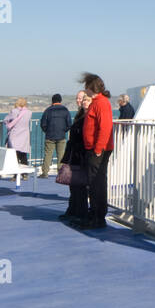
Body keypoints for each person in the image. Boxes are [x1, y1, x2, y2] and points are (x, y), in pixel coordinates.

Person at [81, 75, 114, 230]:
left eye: (86, 86)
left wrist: (98, 149)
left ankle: (98, 217)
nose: (84, 89)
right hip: (94, 149)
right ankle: (94, 213)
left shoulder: (102, 103)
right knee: (94, 183)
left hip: (98, 151)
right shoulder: (97, 102)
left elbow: (105, 127)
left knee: (97, 184)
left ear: (91, 87)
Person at [60, 90, 91, 225]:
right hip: (74, 154)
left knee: (80, 186)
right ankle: (73, 210)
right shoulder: (80, 114)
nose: (80, 101)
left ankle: (81, 213)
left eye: (83, 99)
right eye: (79, 99)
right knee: (73, 185)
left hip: (82, 154)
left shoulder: (88, 116)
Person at [39, 93, 72, 178]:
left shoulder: (48, 110)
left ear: (52, 101)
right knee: (61, 155)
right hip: (61, 136)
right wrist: (64, 131)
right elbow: (69, 124)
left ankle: (45, 173)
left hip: (50, 136)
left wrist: (47, 131)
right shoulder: (65, 110)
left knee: (48, 154)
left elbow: (43, 124)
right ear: (60, 100)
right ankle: (60, 173)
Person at [4, 98, 32, 166]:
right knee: (23, 155)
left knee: (15, 156)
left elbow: (6, 120)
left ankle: (16, 174)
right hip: (24, 136)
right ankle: (24, 173)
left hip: (15, 135)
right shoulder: (29, 112)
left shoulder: (14, 111)